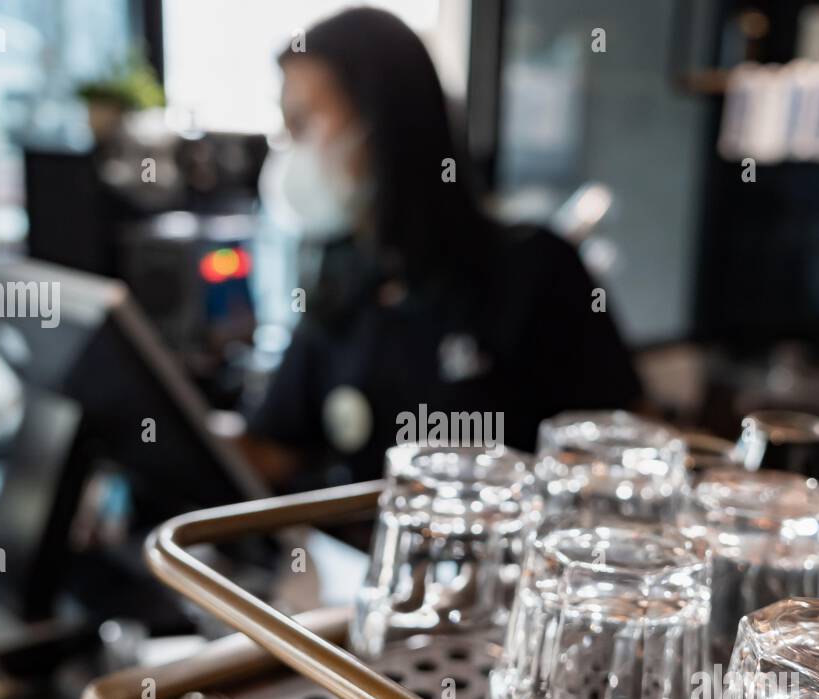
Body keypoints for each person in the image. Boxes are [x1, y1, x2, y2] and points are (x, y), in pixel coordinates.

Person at [241, 6, 643, 489]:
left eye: (303, 124)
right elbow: (272, 449)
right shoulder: (342, 283)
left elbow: (626, 457)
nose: (289, 149)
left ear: (380, 120)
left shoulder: (535, 272)